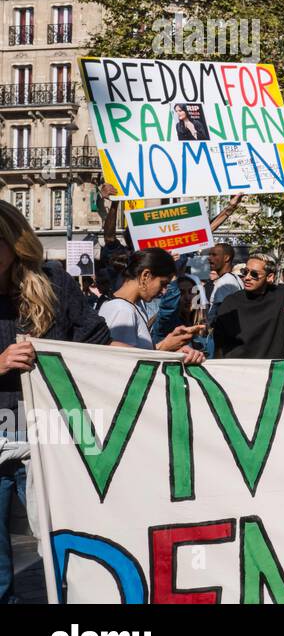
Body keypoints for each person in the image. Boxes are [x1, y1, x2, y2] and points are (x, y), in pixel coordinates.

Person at [0, 201, 116, 604]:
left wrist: (165, 357)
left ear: (14, 242)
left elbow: (95, 344)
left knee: (68, 545)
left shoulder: (53, 283)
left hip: (54, 433)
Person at [98, 250, 206, 362]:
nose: (164, 291)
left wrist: (165, 345)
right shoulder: (122, 310)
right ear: (146, 276)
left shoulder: (127, 307)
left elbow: (137, 355)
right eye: (163, 284)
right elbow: (125, 364)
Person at [212, 255, 284, 359]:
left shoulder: (283, 297)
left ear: (270, 277)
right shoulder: (231, 302)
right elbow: (219, 340)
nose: (247, 277)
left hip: (272, 370)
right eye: (245, 272)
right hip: (236, 369)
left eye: (254, 274)